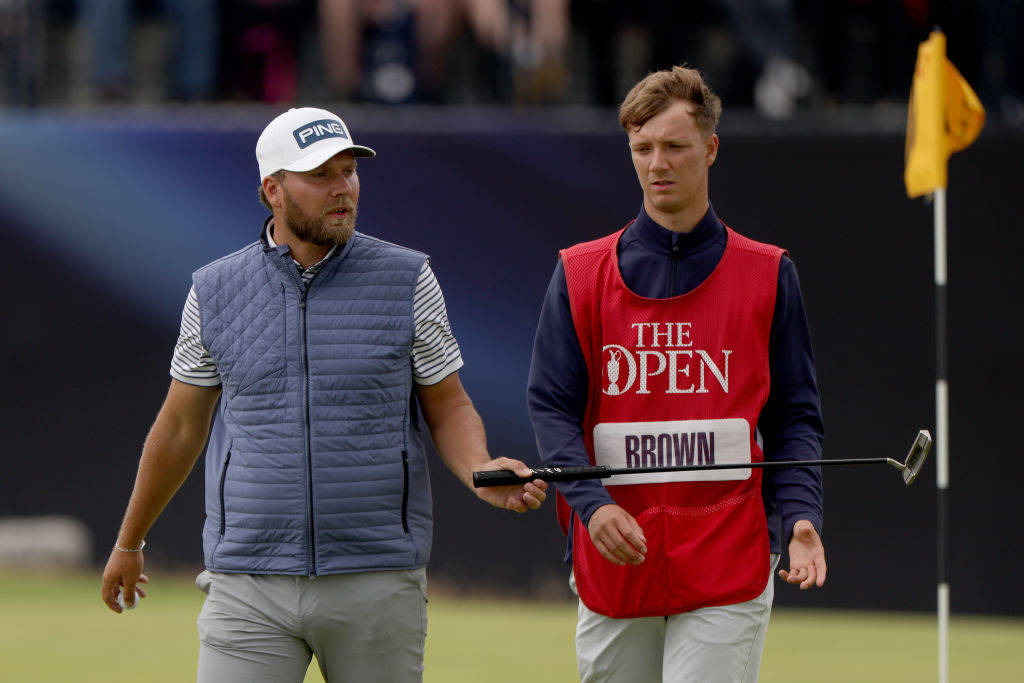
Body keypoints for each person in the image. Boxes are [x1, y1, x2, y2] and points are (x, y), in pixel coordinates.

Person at [100, 106, 548, 683]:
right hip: (248, 583)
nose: (343, 189)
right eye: (320, 175)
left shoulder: (408, 277)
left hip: (376, 578)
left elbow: (449, 404)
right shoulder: (212, 291)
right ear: (273, 189)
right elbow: (181, 427)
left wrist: (481, 469)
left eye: (349, 171)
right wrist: (130, 540)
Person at [527, 66, 825, 682]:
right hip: (614, 553)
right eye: (642, 148)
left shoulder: (769, 274)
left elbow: (795, 417)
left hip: (728, 556)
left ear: (710, 148)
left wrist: (801, 516)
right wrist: (591, 503)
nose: (657, 163)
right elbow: (551, 407)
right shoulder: (580, 275)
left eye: (675, 146)